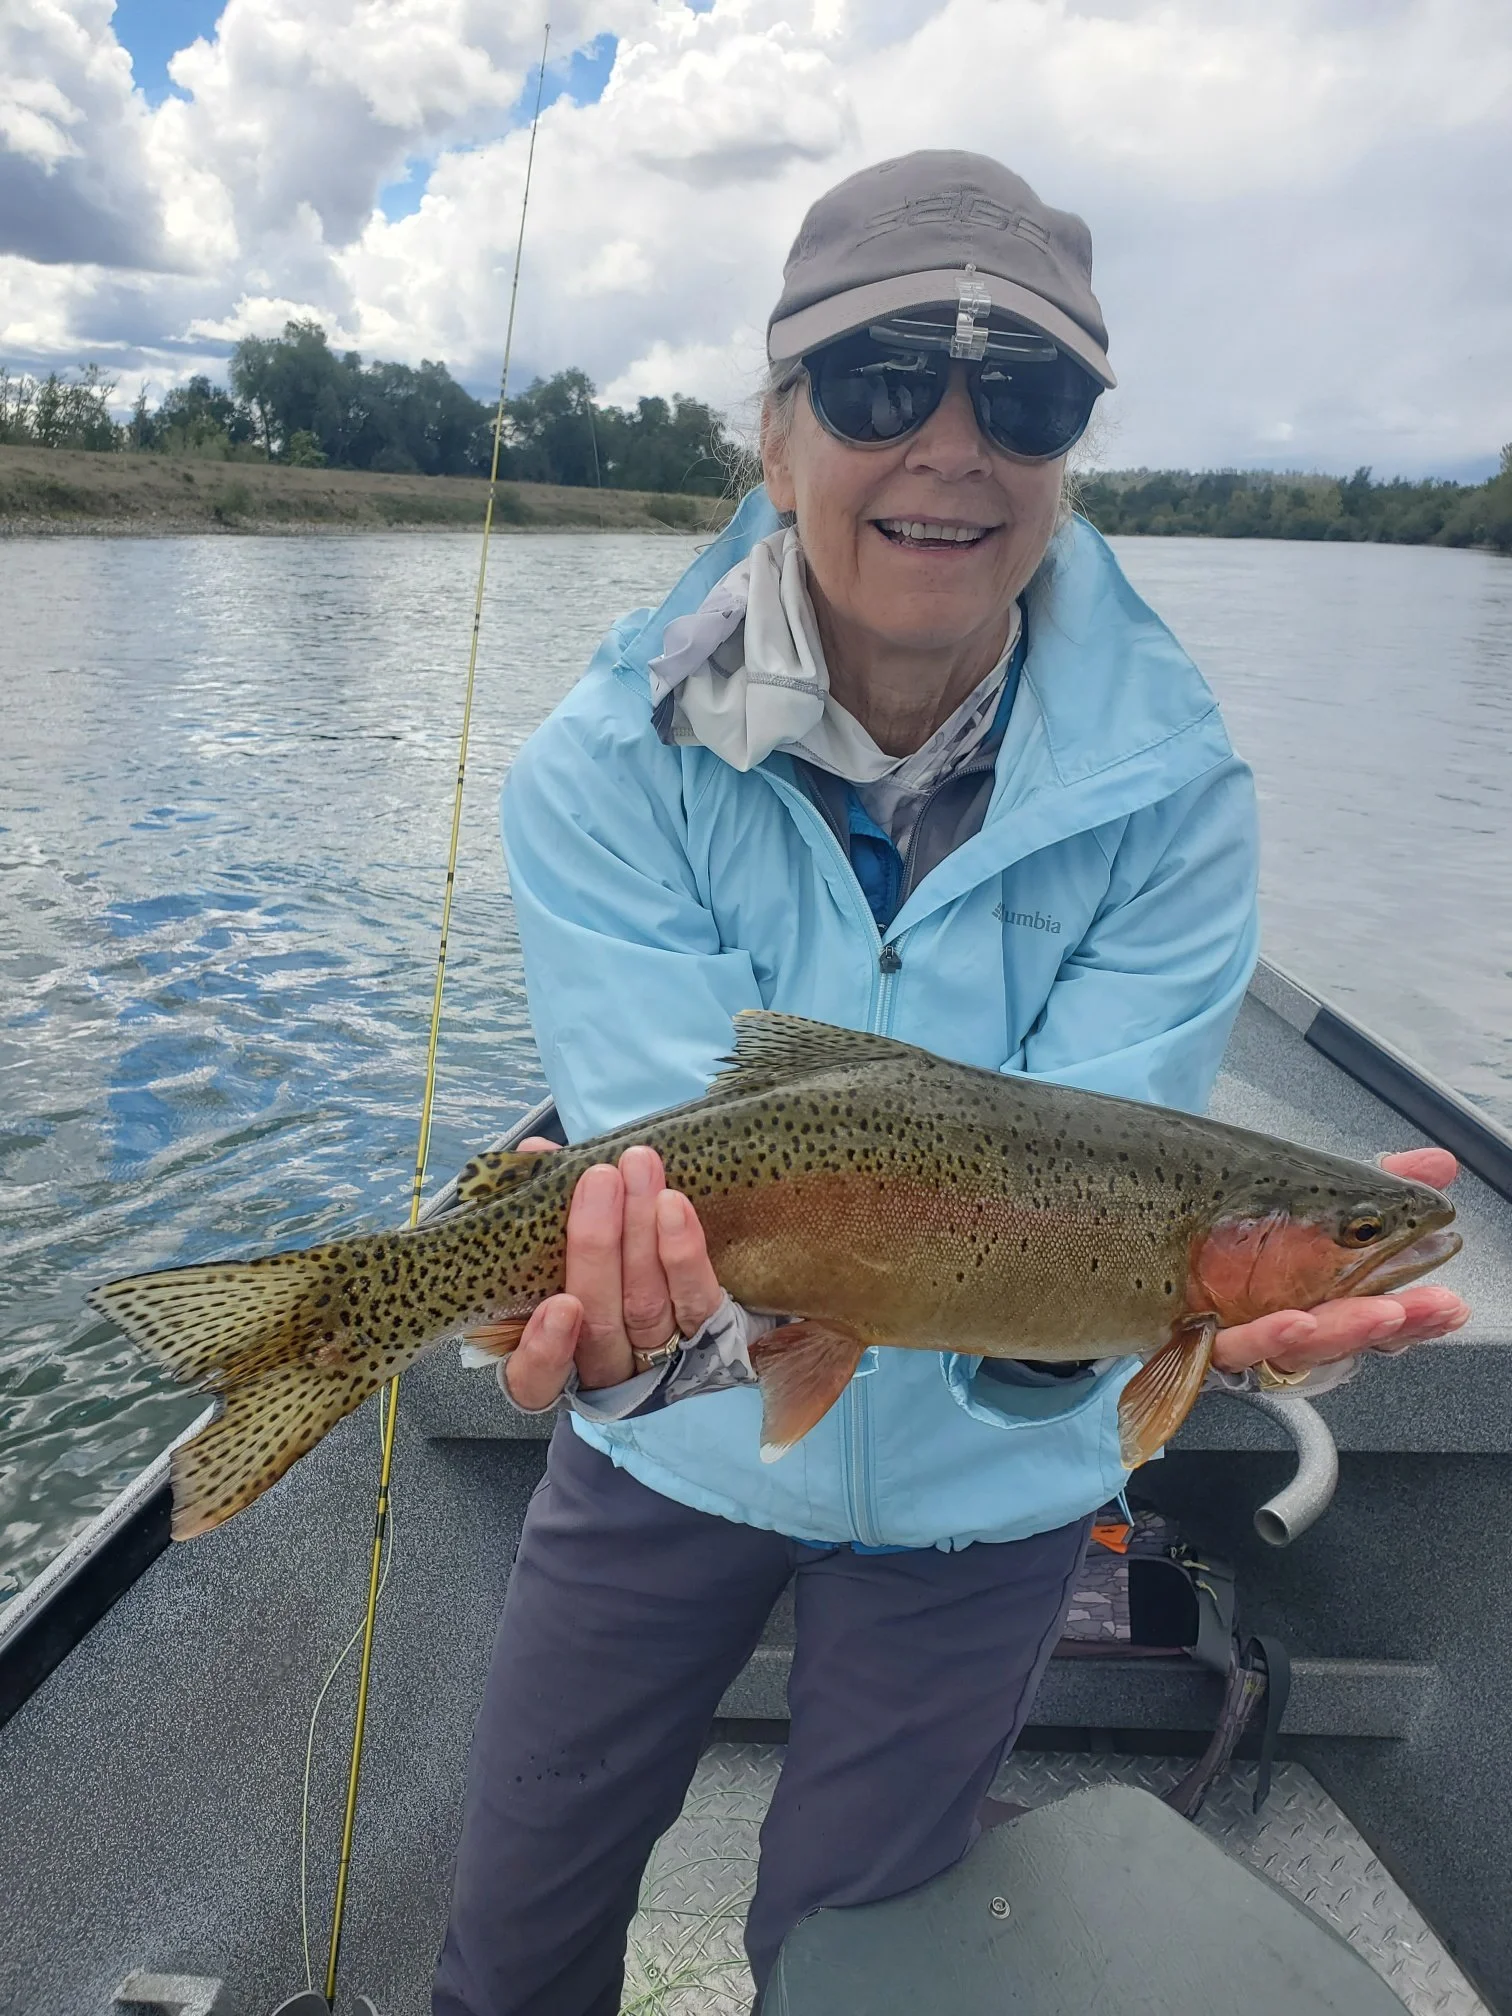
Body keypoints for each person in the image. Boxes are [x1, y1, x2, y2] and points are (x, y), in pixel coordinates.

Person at [432, 150, 1468, 2016]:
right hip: (662, 1439)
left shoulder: (1180, 805)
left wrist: (1112, 1337)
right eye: (886, 381)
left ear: (1073, 454)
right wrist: (600, 1303)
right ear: (777, 432)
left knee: (862, 1960)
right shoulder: (599, 771)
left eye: (1033, 399)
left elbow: (1081, 1188)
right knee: (513, 1937)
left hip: (991, 1497)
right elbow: (689, 1179)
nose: (956, 446)